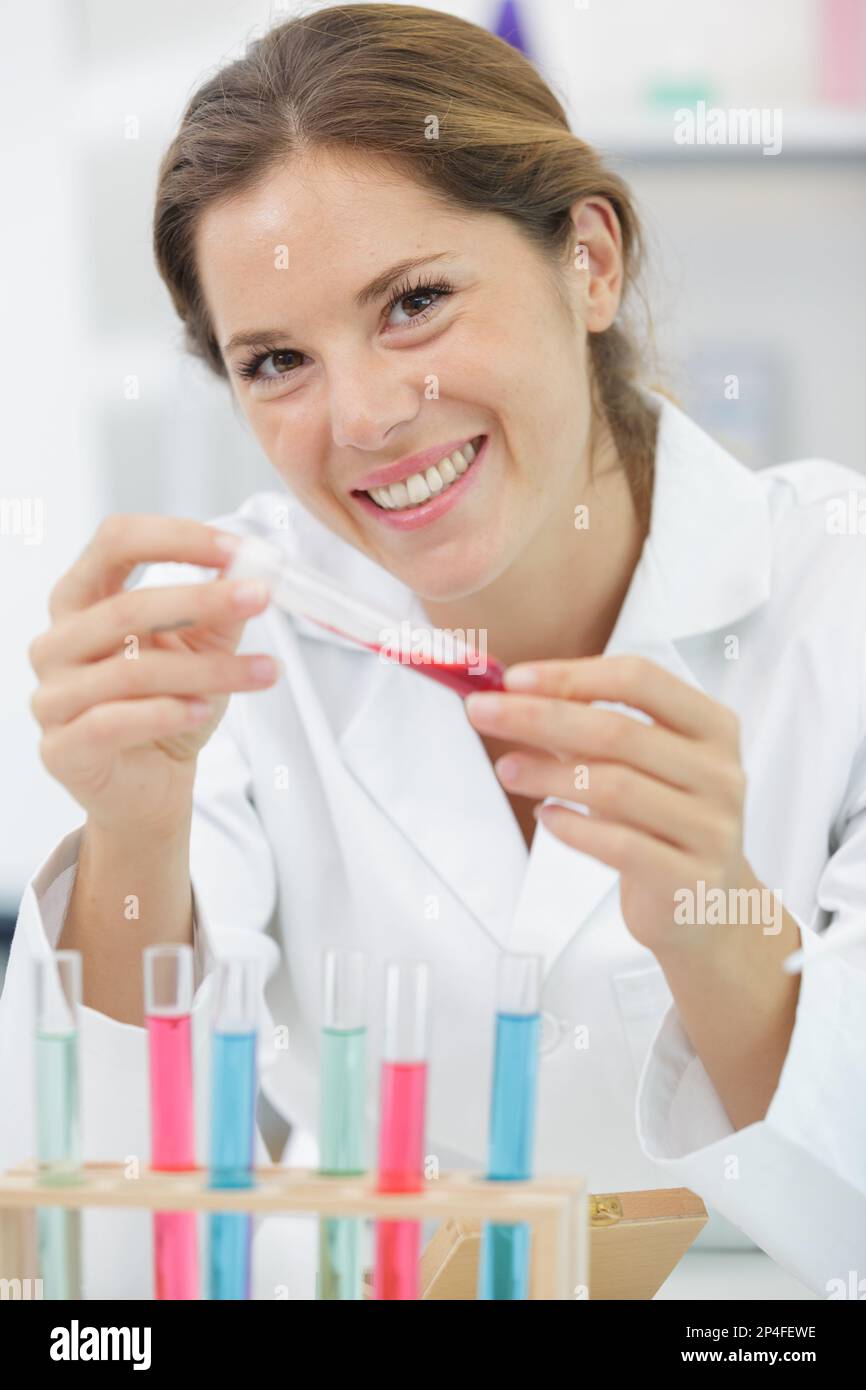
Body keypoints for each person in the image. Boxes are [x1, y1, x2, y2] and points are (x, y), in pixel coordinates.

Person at [3, 3, 865, 1299]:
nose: (360, 416)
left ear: (586, 260)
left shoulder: (833, 603)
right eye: (277, 358)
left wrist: (713, 913)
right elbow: (103, 1240)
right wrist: (133, 826)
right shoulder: (229, 640)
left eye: (413, 301)